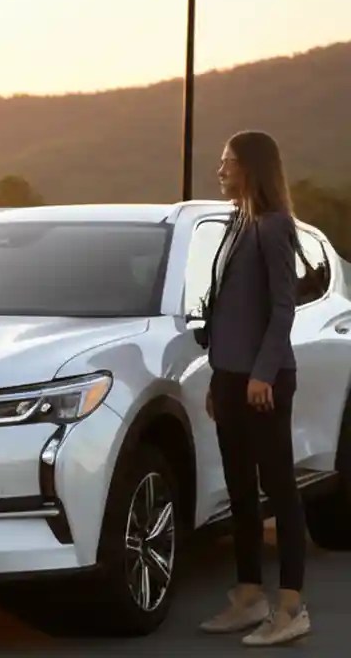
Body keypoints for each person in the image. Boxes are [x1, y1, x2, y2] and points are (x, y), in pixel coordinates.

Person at [198, 130, 309, 645]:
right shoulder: (237, 223)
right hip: (231, 377)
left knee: (279, 489)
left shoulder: (273, 226)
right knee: (241, 490)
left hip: (264, 381)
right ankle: (248, 597)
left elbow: (283, 307)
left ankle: (290, 607)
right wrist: (219, 376)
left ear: (252, 168)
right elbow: (228, 308)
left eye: (228, 163)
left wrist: (262, 373)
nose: (220, 170)